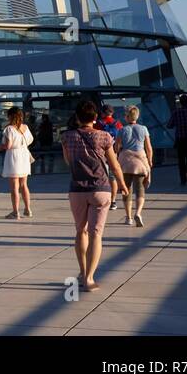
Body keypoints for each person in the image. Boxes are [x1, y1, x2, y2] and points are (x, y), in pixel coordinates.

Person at [62, 100, 128, 292]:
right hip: (100, 188)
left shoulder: (67, 137)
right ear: (95, 118)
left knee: (80, 231)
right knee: (96, 233)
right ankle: (90, 279)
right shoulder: (105, 136)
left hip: (77, 189)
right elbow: (114, 164)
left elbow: (68, 161)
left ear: (77, 117)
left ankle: (82, 272)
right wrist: (122, 184)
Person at [115, 106, 153, 227]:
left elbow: (117, 147)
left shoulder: (122, 130)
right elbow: (148, 148)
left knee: (126, 190)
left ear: (127, 117)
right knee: (140, 190)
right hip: (140, 162)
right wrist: (150, 160)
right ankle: (138, 213)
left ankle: (128, 217)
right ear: (137, 116)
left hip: (126, 161)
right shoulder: (143, 129)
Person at [0, 106, 34, 219]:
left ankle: (15, 212)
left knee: (14, 186)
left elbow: (8, 145)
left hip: (14, 157)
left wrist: (0, 147)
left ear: (10, 116)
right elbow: (30, 140)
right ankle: (28, 209)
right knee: (24, 185)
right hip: (24, 156)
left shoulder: (9, 129)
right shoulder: (25, 127)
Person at [167, 93, 187, 184]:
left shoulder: (176, 112)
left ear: (180, 102)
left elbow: (169, 125)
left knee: (181, 159)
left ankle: (182, 178)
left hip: (180, 139)